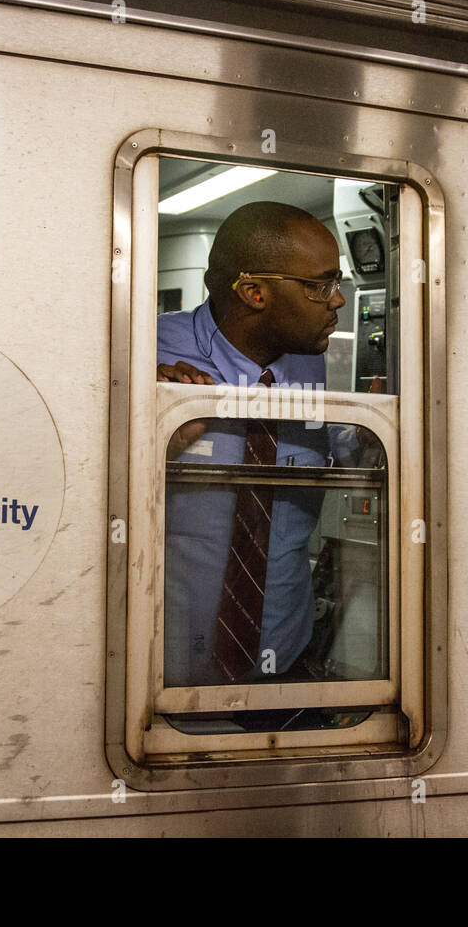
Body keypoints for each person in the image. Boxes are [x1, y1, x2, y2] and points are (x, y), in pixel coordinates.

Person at [157, 201, 346, 687]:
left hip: (282, 662)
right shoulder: (145, 351)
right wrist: (151, 434)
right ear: (254, 293)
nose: (338, 300)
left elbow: (312, 454)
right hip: (164, 671)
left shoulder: (309, 359)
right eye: (319, 285)